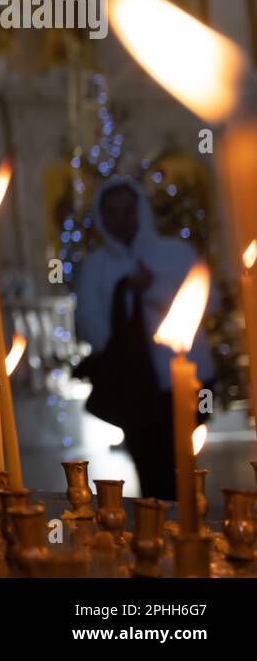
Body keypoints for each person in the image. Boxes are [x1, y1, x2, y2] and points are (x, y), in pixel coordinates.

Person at [74, 176, 215, 499]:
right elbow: (88, 320)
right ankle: (161, 527)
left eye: (127, 210)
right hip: (134, 387)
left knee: (182, 461)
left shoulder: (174, 253)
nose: (121, 219)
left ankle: (189, 523)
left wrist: (151, 290)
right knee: (151, 466)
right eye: (112, 212)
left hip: (182, 381)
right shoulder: (96, 265)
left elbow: (208, 299)